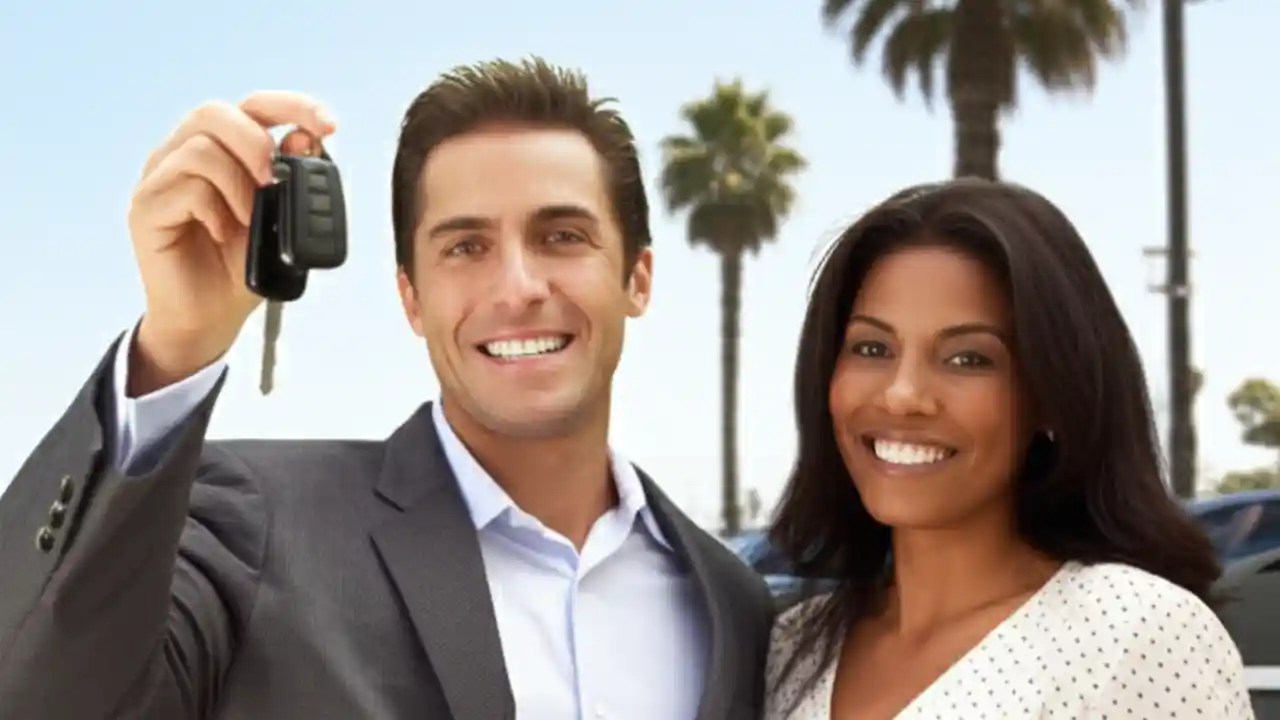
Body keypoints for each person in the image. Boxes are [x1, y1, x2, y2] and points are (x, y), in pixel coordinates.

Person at [0, 58, 773, 719]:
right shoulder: (255, 522)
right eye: (466, 246)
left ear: (637, 276)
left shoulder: (734, 606)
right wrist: (175, 345)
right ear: (410, 297)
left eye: (561, 236)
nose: (517, 286)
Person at [762, 179, 1254, 719]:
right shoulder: (793, 646)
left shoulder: (1138, 634)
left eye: (968, 359)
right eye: (872, 348)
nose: (903, 395)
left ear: (1051, 392)